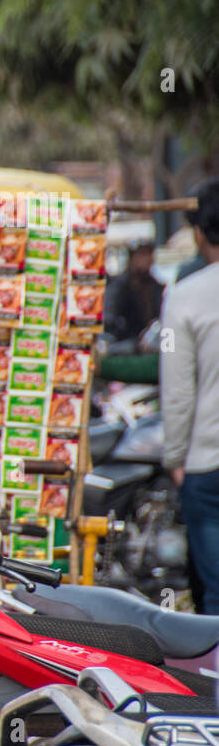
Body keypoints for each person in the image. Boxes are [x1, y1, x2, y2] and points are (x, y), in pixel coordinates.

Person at [161, 177, 219, 614]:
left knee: (214, 593)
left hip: (208, 465)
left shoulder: (184, 296)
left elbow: (177, 389)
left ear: (200, 232)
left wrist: (176, 459)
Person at [104, 242, 164, 343]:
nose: (147, 260)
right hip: (125, 346)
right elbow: (109, 316)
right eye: (142, 254)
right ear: (132, 257)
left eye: (149, 254)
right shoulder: (120, 286)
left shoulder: (156, 286)